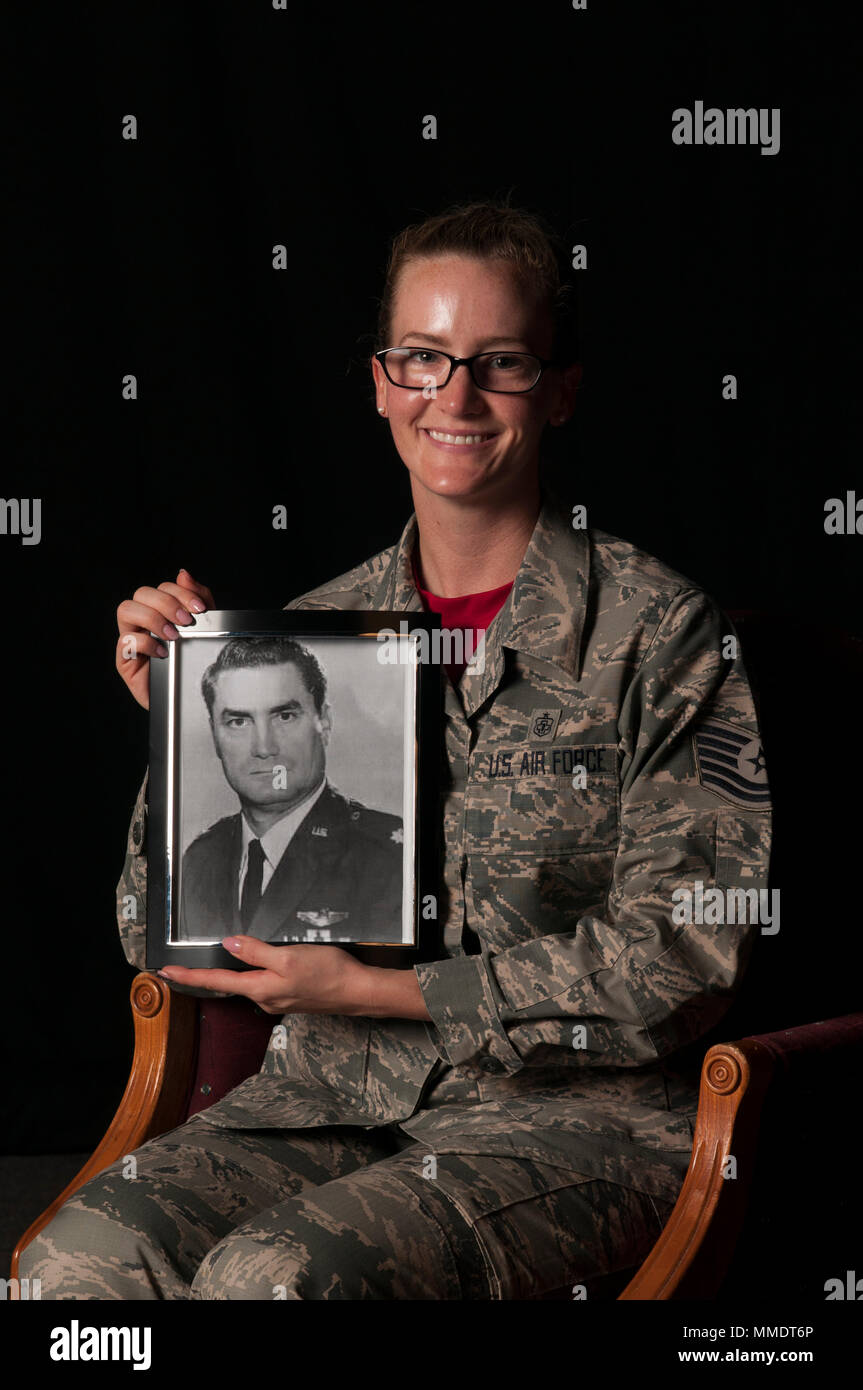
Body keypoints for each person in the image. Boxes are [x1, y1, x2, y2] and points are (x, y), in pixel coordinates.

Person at [21, 200, 771, 1300]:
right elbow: (155, 938)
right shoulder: (309, 639)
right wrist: (175, 730)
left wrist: (394, 994)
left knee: (271, 1281)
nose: (452, 396)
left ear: (559, 388)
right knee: (65, 1271)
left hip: (569, 1126)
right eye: (421, 357)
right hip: (322, 1104)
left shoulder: (660, 634)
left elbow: (683, 958)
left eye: (498, 361)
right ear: (379, 381)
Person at [178, 635, 404, 945]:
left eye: (284, 716)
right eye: (239, 721)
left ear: (324, 722)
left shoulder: (392, 858)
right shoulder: (200, 860)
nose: (264, 747)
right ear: (214, 735)